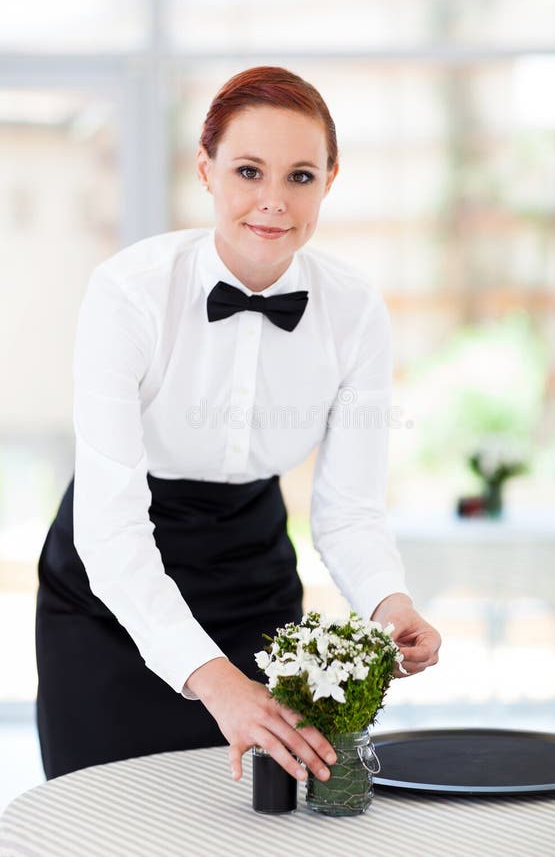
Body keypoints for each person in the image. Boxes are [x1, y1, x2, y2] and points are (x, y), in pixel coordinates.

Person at [35, 65, 441, 784]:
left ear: (331, 180)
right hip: (110, 588)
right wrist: (215, 682)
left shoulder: (355, 311)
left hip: (253, 575)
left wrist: (389, 600)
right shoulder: (127, 295)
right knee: (103, 819)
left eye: (301, 176)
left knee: (259, 820)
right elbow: (111, 528)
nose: (273, 203)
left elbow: (347, 509)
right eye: (249, 171)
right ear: (206, 169)